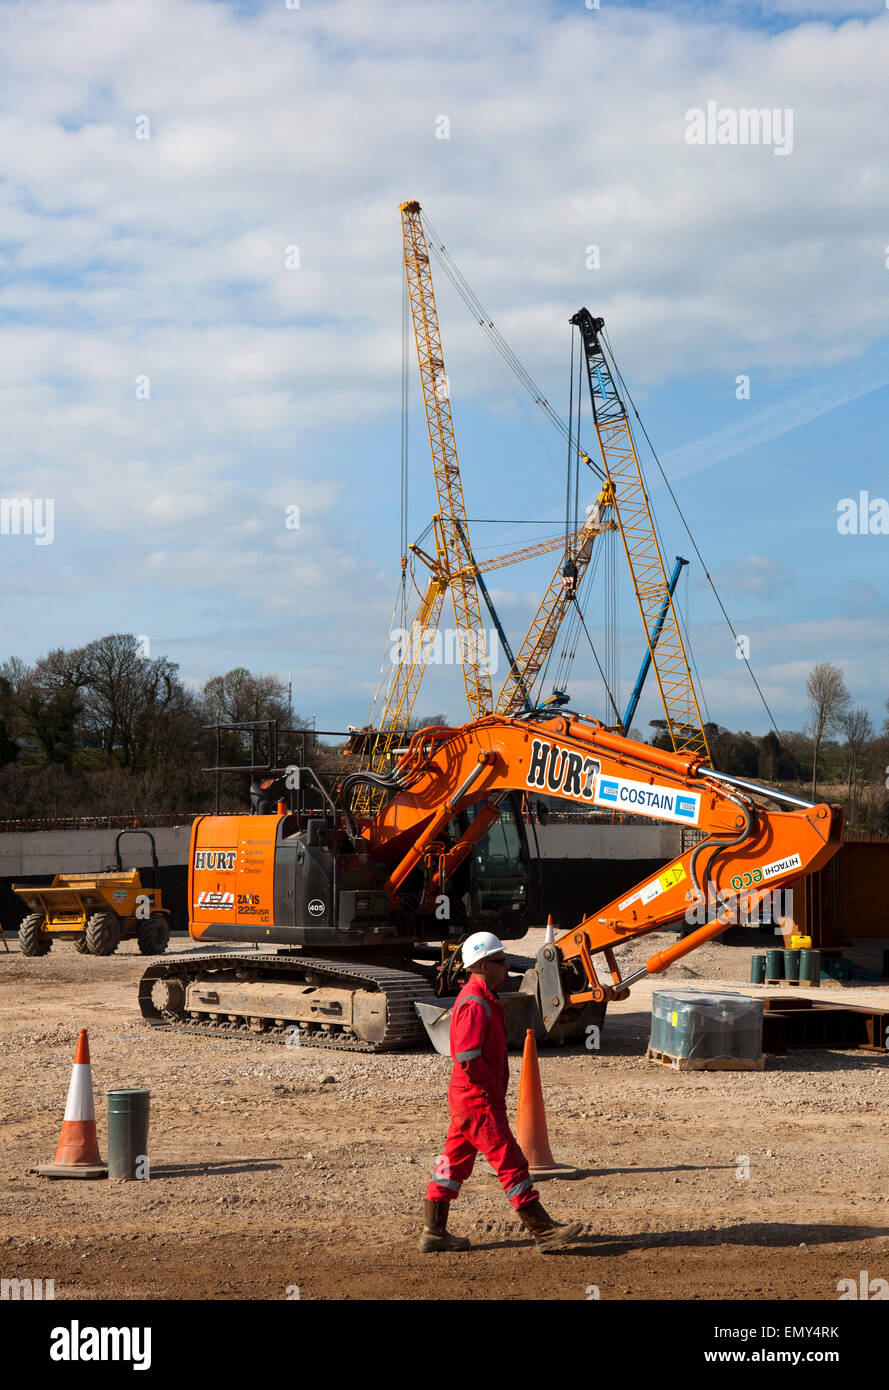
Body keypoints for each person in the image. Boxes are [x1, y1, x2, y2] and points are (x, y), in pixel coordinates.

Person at [419, 931, 583, 1254]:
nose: (507, 966)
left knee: (453, 1162)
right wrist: (491, 1087)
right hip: (477, 1099)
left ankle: (433, 1231)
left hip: (469, 1098)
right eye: (500, 961)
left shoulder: (481, 996)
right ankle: (542, 1230)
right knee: (510, 1161)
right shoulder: (475, 1002)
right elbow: (466, 1057)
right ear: (482, 965)